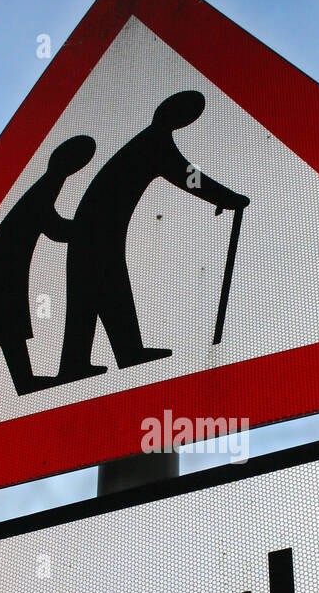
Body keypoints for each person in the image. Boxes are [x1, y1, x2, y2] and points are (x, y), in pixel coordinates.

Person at [51, 90, 248, 385]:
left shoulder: (147, 142)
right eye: (185, 113)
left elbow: (187, 176)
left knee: (92, 293)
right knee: (106, 287)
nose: (185, 119)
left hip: (93, 230)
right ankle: (114, 355)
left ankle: (83, 361)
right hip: (98, 231)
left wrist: (225, 198)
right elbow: (188, 177)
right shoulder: (155, 144)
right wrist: (229, 198)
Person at [0, 134, 96, 413]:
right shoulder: (47, 186)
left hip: (4, 268)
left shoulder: (48, 184)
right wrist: (86, 226)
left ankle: (12, 384)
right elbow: (51, 225)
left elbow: (48, 222)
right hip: (3, 269)